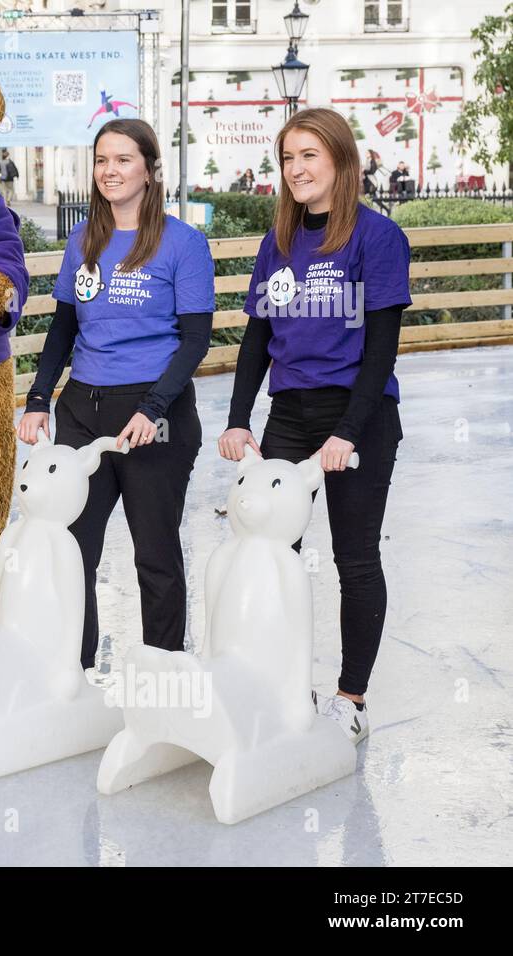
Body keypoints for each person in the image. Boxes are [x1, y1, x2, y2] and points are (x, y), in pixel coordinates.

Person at [218, 107, 411, 744]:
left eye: (309, 156)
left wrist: (349, 432)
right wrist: (239, 419)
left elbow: (382, 345)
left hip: (358, 414)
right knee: (273, 556)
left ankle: (351, 697)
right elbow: (256, 337)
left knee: (355, 559)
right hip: (291, 415)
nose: (296, 169)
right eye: (287, 158)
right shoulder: (279, 241)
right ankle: (281, 680)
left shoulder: (377, 238)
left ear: (340, 163)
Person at [18, 118, 215, 678]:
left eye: (124, 160)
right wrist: (37, 399)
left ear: (150, 170)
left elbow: (196, 339)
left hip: (154, 412)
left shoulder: (183, 243)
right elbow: (62, 329)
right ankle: (74, 673)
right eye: (102, 160)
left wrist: (153, 408)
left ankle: (163, 675)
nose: (110, 171)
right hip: (82, 408)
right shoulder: (84, 239)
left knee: (154, 554)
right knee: (73, 549)